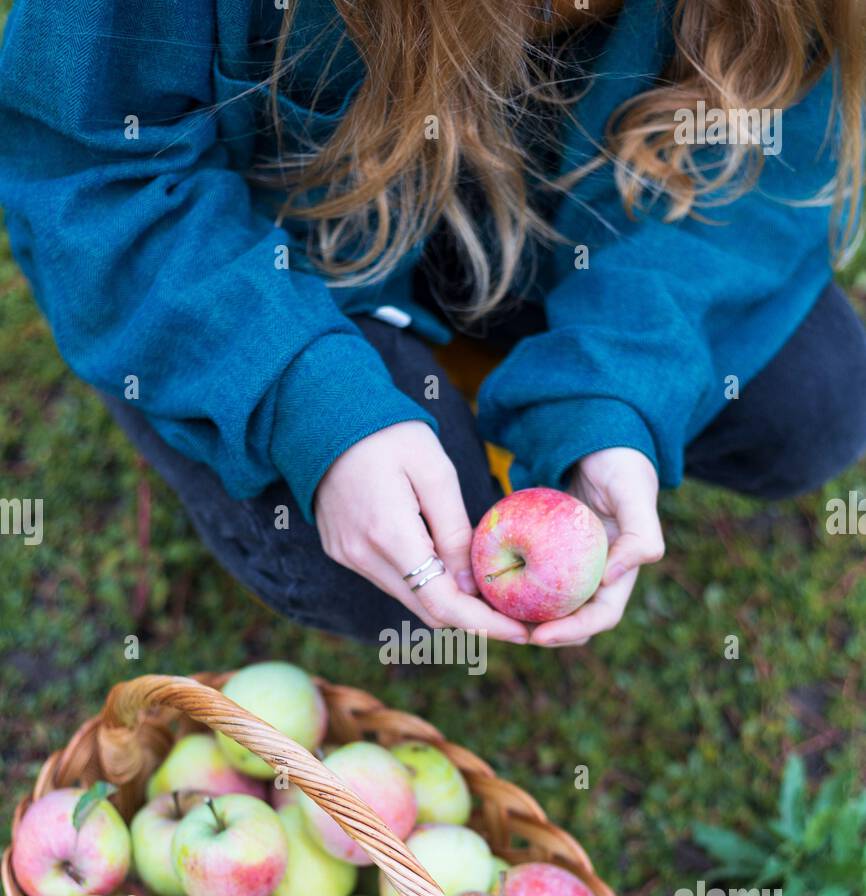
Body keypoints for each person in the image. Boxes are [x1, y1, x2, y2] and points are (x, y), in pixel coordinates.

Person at [1, 0, 864, 645]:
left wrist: (618, 386)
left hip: (550, 227)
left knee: (812, 398)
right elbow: (96, 174)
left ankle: (498, 380)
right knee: (374, 574)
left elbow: (759, 169)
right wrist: (309, 403)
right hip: (296, 263)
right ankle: (268, 387)